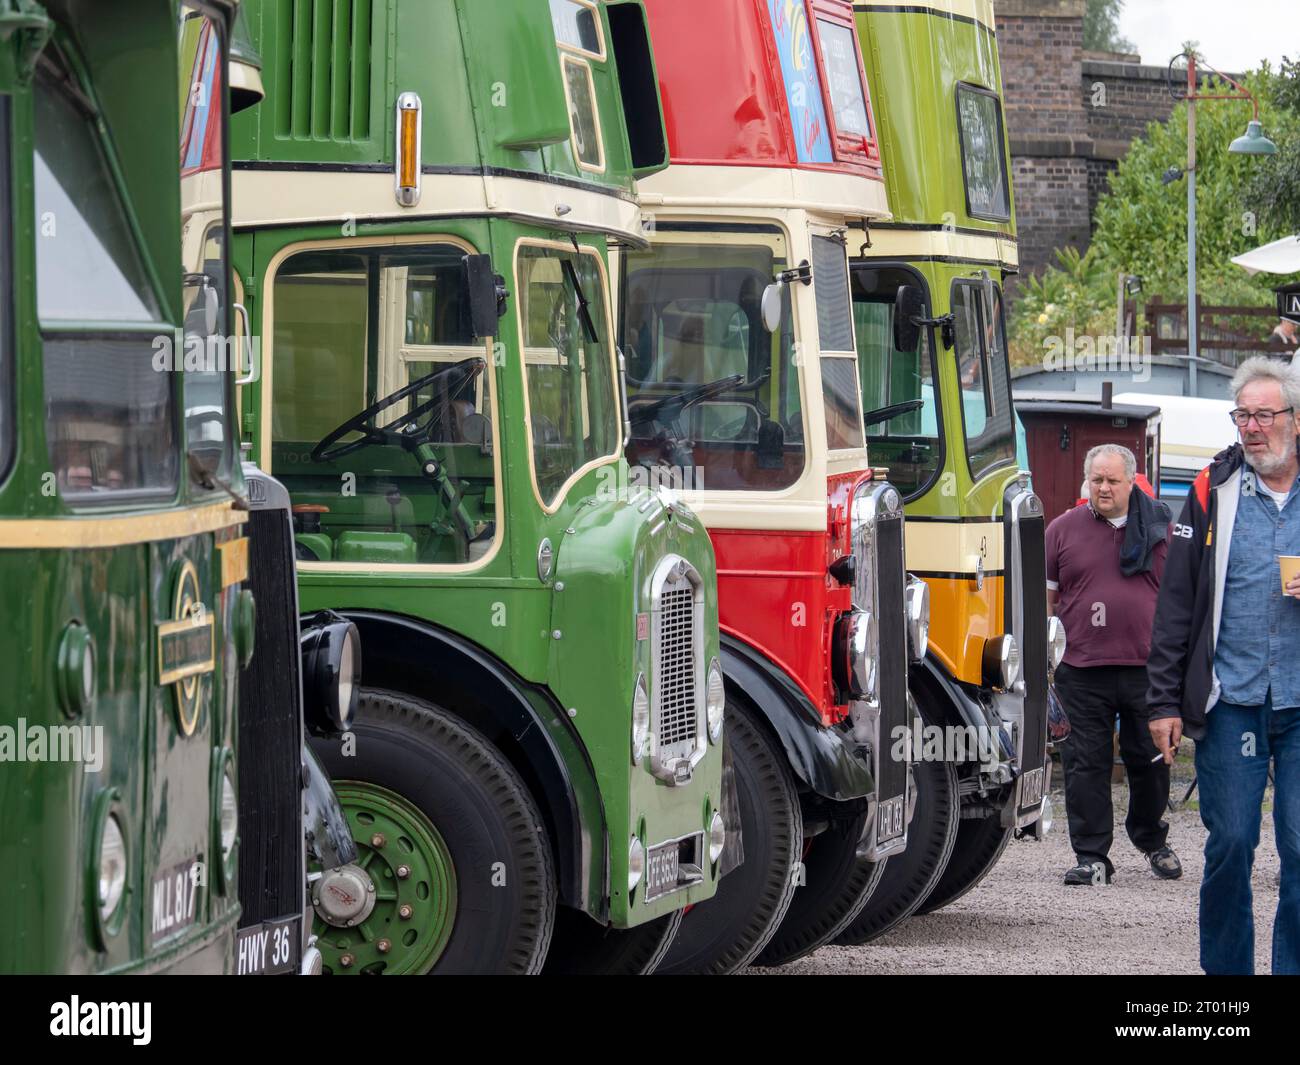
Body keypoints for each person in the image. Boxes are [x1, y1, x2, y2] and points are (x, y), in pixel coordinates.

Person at [1148, 356, 1300, 975]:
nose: (1252, 427)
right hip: (1231, 697)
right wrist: (1162, 701)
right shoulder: (1214, 490)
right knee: (1232, 844)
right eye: (1243, 415)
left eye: (1265, 415)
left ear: (1296, 419)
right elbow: (1175, 602)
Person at [1047, 443, 1180, 885]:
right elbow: (1047, 598)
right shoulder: (1063, 529)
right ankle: (1091, 856)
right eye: (1096, 480)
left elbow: (1182, 599)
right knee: (1085, 762)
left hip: (1148, 669)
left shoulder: (1163, 531)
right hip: (1081, 669)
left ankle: (1151, 840)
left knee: (1150, 759)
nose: (1103, 488)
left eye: (1112, 480)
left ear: (1131, 481)